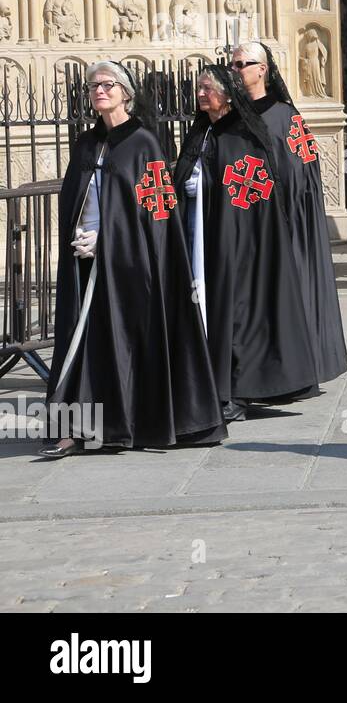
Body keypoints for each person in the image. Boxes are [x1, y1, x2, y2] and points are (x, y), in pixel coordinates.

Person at [41, 62, 226, 458]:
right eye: (93, 86)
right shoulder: (86, 144)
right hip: (83, 259)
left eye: (108, 85)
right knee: (82, 344)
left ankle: (125, 424)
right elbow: (77, 197)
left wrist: (108, 240)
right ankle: (75, 429)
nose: (99, 91)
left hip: (129, 265)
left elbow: (158, 213)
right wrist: (77, 234)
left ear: (125, 92)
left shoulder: (144, 143)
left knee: (120, 344)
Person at [174, 65, 322, 422]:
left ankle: (236, 392)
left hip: (239, 245)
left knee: (236, 315)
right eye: (198, 88)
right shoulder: (200, 132)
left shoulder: (244, 136)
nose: (200, 94)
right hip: (200, 240)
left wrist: (208, 189)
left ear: (227, 94)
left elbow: (250, 196)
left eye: (207, 88)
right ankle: (208, 386)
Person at [230, 42, 347, 383]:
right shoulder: (230, 117)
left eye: (242, 64)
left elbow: (302, 173)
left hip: (281, 221)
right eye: (232, 64)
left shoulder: (286, 116)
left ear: (262, 69)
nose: (235, 70)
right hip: (240, 226)